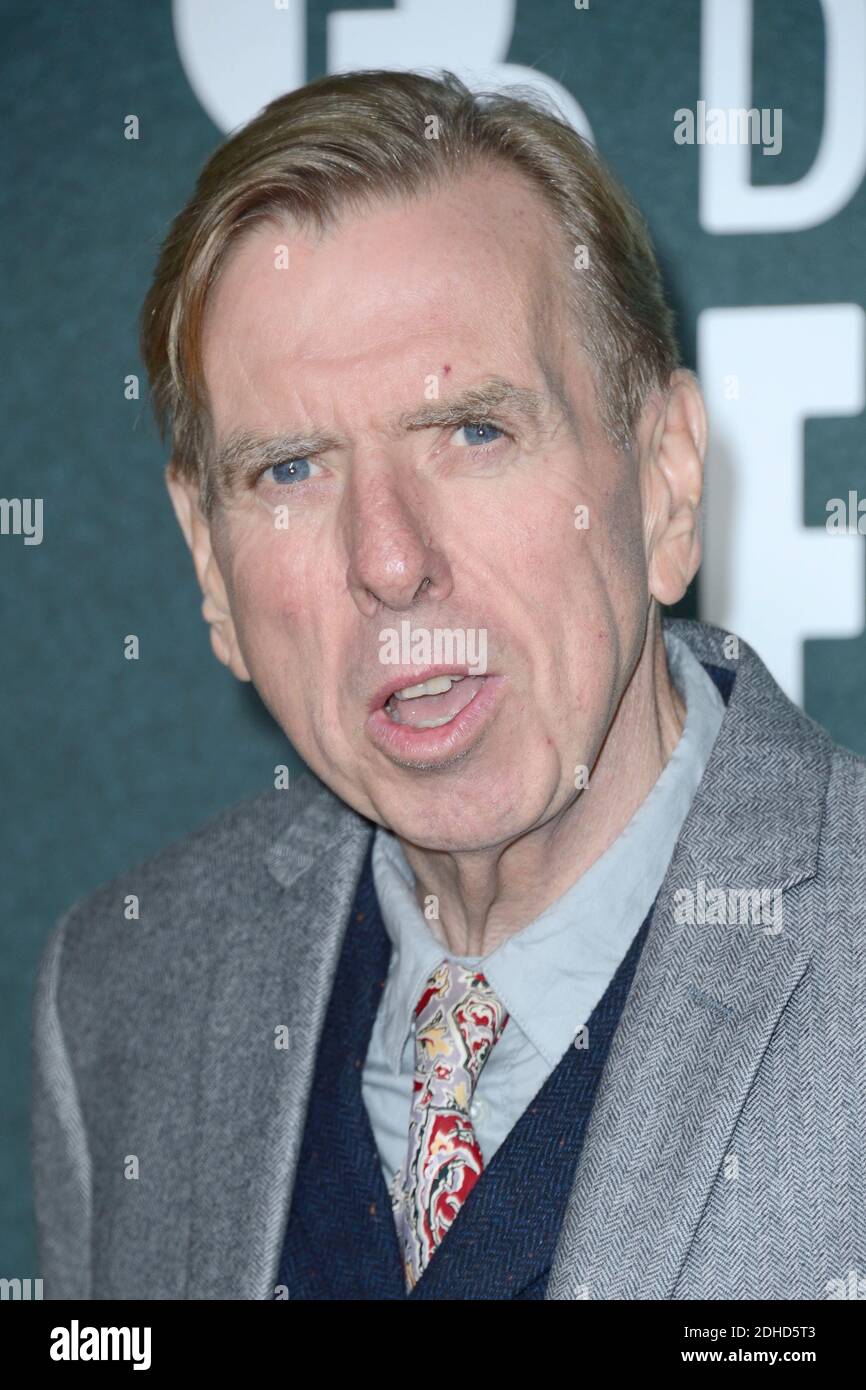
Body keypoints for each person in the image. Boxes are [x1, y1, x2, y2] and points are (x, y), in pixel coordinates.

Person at [31, 68, 866, 1301]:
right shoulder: (122, 994)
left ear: (667, 484)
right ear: (209, 564)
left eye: (474, 434)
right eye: (291, 469)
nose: (388, 561)